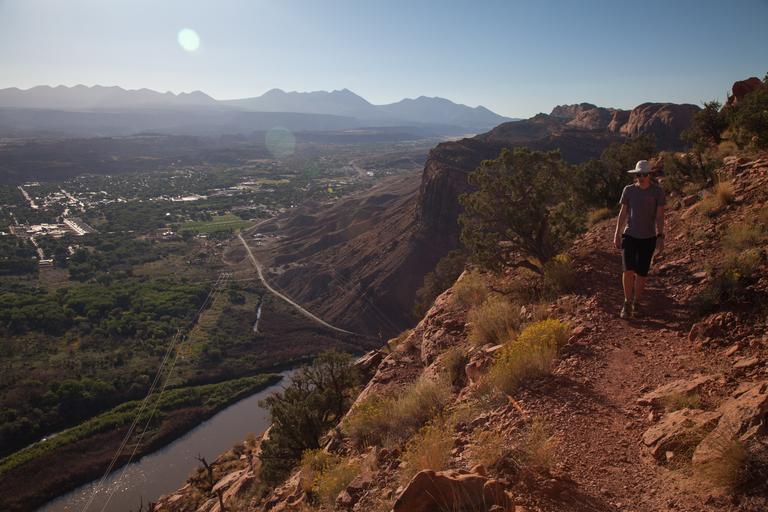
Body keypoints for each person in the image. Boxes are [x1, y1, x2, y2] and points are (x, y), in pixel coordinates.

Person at [613, 160, 666, 318]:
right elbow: (623, 212)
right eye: (638, 175)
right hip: (629, 235)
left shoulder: (657, 192)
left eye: (644, 175)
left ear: (649, 175)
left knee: (641, 273)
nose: (641, 177)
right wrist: (617, 233)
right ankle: (627, 303)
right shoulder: (629, 190)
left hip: (648, 237)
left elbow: (660, 216)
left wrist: (660, 236)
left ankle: (637, 302)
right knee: (628, 270)